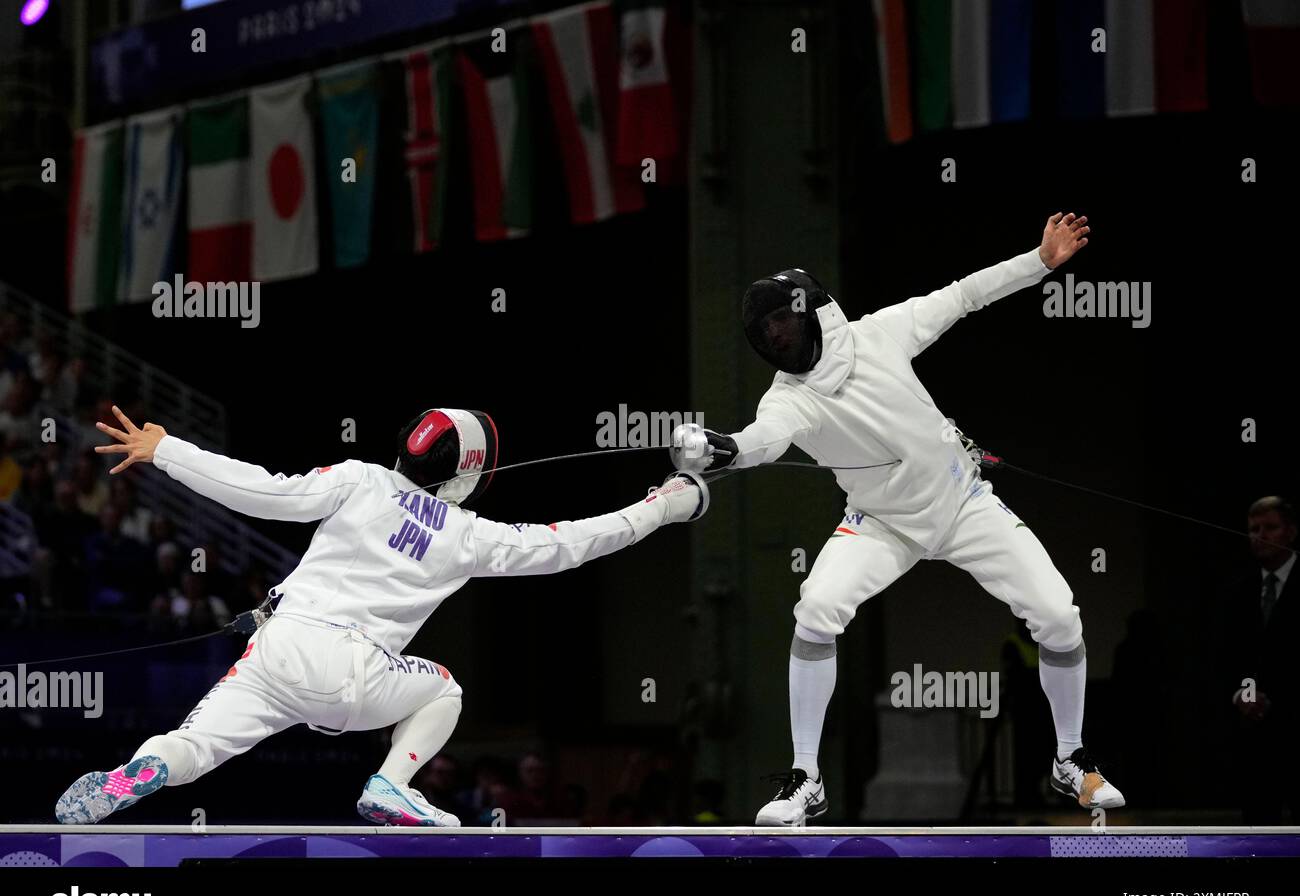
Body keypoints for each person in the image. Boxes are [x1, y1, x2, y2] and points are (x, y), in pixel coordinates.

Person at [673, 213, 1124, 825]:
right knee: (816, 609)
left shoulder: (882, 333)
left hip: (965, 505)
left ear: (814, 312)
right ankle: (806, 778)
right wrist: (725, 448)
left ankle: (1070, 760)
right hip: (880, 523)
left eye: (784, 320)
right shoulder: (787, 398)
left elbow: (965, 295)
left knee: (1058, 617)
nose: (778, 336)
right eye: (766, 329)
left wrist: (1039, 262)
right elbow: (763, 440)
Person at [56, 405, 706, 827]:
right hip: (354, 677)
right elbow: (571, 544)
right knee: (444, 689)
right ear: (468, 475)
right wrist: (664, 506)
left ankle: (137, 772)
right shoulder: (468, 535)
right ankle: (392, 784)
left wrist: (168, 449)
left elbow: (262, 490)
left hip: (276, 651)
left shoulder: (358, 479)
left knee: (196, 745)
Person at [1220, 496, 1299, 823]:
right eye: (1254, 529)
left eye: (1270, 527)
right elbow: (1225, 655)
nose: (1260, 535)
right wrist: (1243, 695)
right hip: (1254, 735)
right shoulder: (1239, 590)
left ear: (1291, 532)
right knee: (1258, 825)